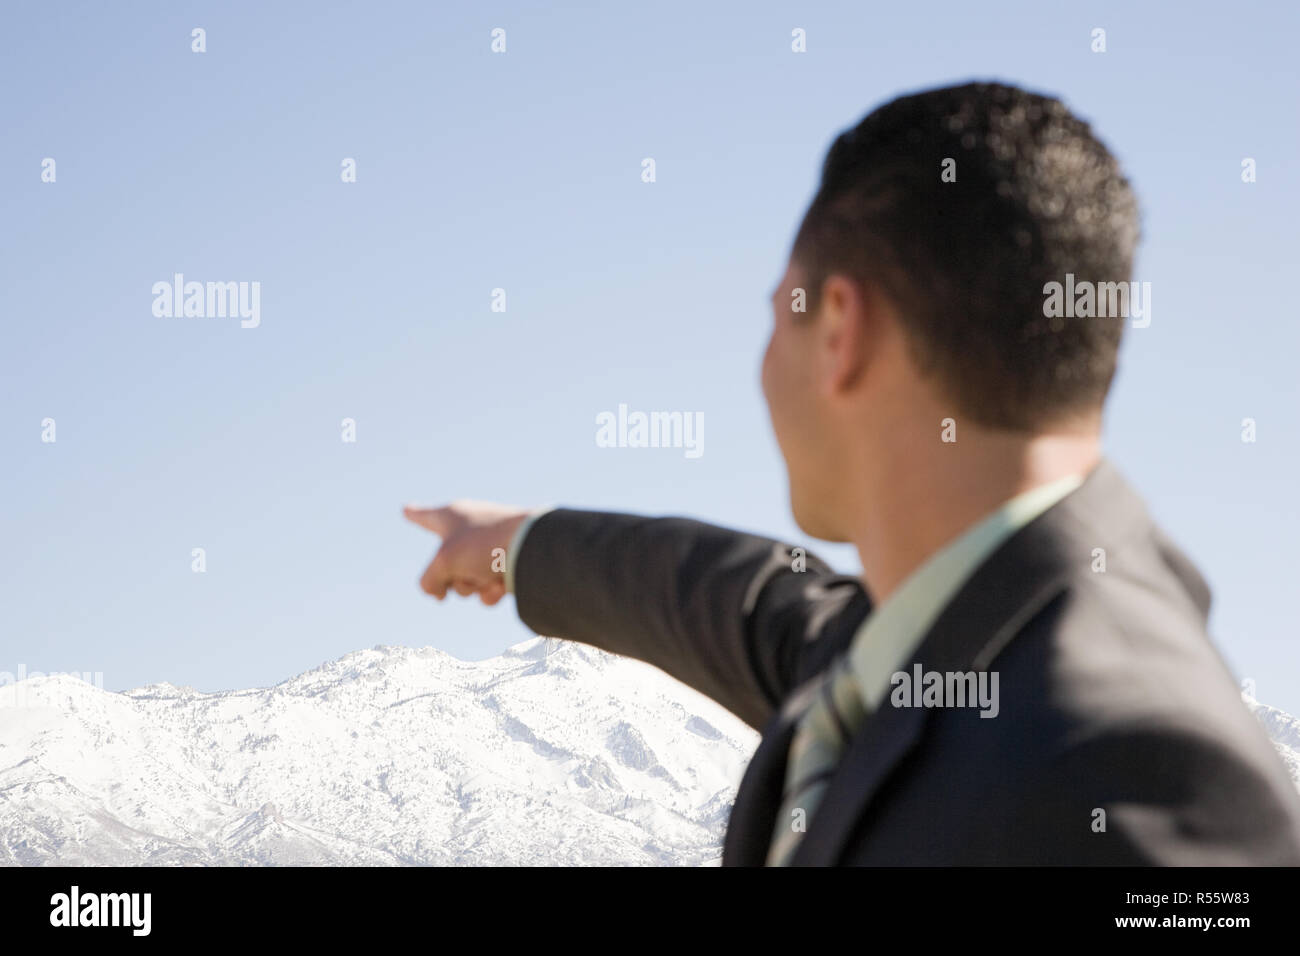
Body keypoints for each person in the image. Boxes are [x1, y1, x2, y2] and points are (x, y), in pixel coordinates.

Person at [404, 82, 1300, 865]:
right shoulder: (925, 644)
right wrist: (519, 546)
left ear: (838, 331)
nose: (758, 369)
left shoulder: (1144, 769)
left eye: (775, 317)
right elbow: (734, 599)